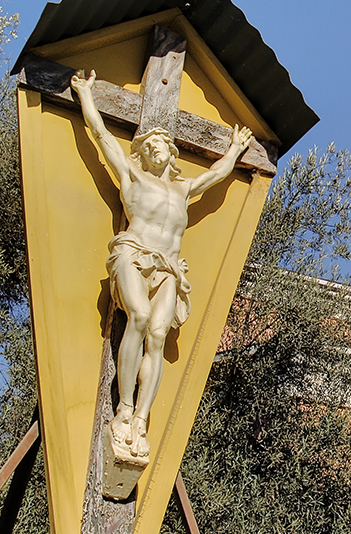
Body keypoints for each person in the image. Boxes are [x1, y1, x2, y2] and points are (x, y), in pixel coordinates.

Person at [71, 70, 252, 458]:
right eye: (151, 144)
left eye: (162, 145)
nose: (158, 148)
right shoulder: (131, 175)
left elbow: (217, 174)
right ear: (143, 152)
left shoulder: (183, 189)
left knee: (157, 335)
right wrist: (86, 94)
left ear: (171, 154)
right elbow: (102, 136)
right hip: (134, 253)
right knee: (136, 316)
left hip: (168, 267)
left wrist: (235, 149)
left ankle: (140, 419)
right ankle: (122, 407)